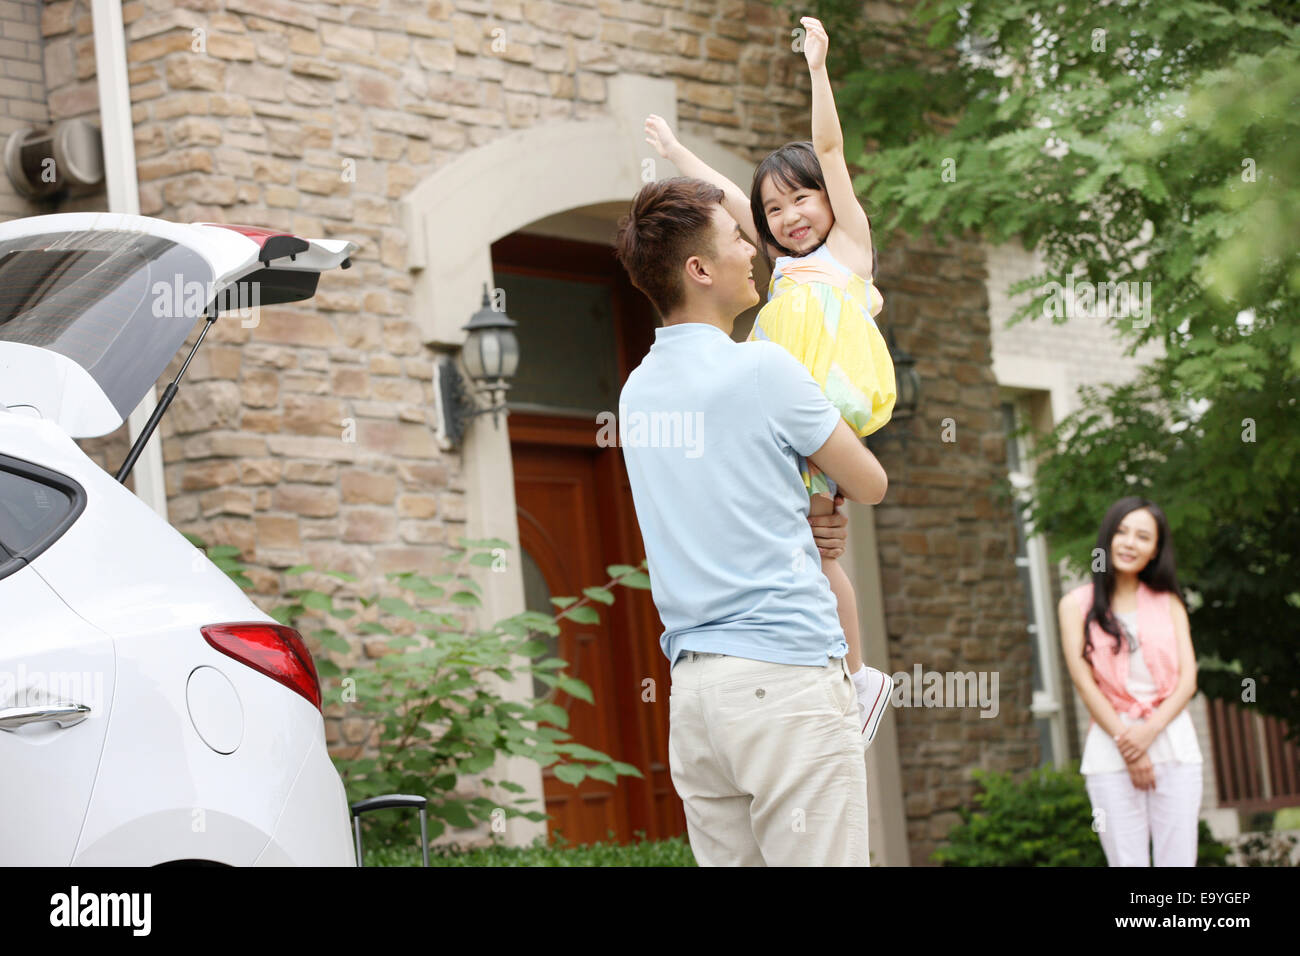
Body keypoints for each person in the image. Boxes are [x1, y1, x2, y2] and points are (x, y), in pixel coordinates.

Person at [612, 175, 888, 866]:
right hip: (787, 675)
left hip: (699, 695)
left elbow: (728, 492)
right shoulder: (765, 370)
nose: (753, 249)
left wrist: (801, 518)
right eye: (738, 238)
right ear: (699, 269)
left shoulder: (637, 392)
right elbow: (870, 480)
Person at [643, 16, 893, 740]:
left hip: (831, 415)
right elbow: (726, 196)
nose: (787, 218)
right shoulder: (780, 267)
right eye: (775, 210)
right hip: (786, 428)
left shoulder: (847, 249)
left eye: (800, 199)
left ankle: (851, 678)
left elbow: (830, 147)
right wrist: (678, 152)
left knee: (819, 548)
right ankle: (852, 676)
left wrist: (817, 69)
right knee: (815, 551)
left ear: (828, 200)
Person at [1056, 496, 1204, 866]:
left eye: (1142, 536)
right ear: (1107, 538)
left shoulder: (1169, 601)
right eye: (1121, 532)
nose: (1129, 543)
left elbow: (1188, 681)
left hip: (1174, 746)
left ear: (1155, 550)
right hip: (1110, 751)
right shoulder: (1075, 605)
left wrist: (1148, 732)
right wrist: (1127, 742)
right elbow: (1083, 682)